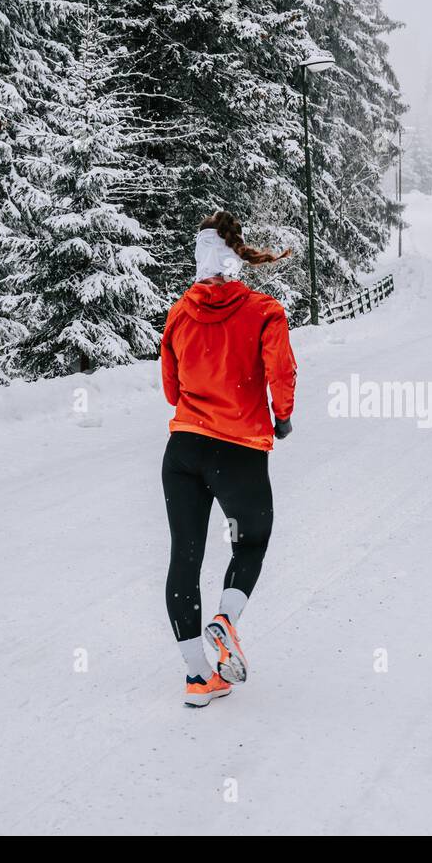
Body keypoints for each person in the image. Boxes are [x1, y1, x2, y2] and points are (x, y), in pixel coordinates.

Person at [159, 211, 296, 707]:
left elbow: (171, 388)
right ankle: (225, 621)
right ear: (236, 256)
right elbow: (280, 373)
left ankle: (198, 678)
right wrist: (282, 417)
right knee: (250, 543)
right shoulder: (264, 311)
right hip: (238, 452)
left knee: (185, 557)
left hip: (183, 452)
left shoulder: (178, 313)